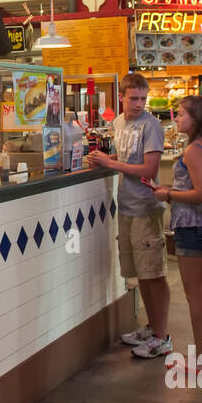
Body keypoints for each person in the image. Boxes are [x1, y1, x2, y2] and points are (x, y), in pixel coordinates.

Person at [85, 72, 171, 359]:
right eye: (133, 98)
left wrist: (112, 164)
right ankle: (151, 327)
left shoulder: (152, 126)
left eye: (143, 99)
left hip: (147, 208)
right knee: (141, 275)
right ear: (120, 97)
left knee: (154, 274)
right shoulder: (118, 123)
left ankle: (162, 336)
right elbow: (121, 160)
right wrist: (99, 160)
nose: (138, 104)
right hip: (127, 206)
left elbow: (148, 169)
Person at [151, 96, 202, 370]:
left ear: (196, 118)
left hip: (194, 226)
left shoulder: (193, 150)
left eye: (181, 114)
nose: (177, 118)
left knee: (196, 296)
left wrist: (168, 193)